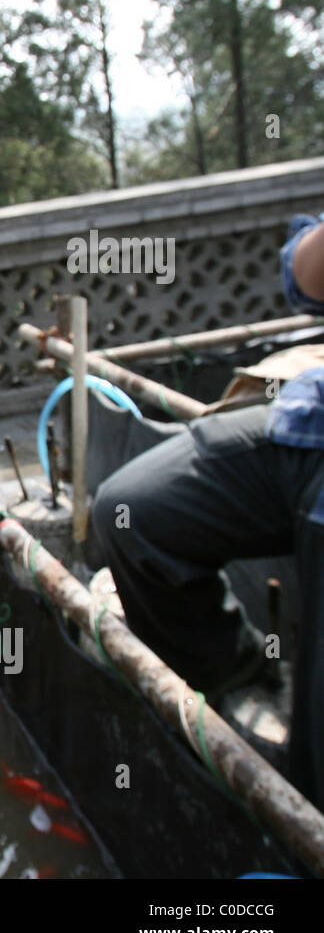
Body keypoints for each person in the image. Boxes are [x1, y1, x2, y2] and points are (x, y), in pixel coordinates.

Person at [92, 213, 324, 810]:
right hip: (308, 422)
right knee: (130, 512)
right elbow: (302, 281)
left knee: (313, 757)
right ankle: (238, 679)